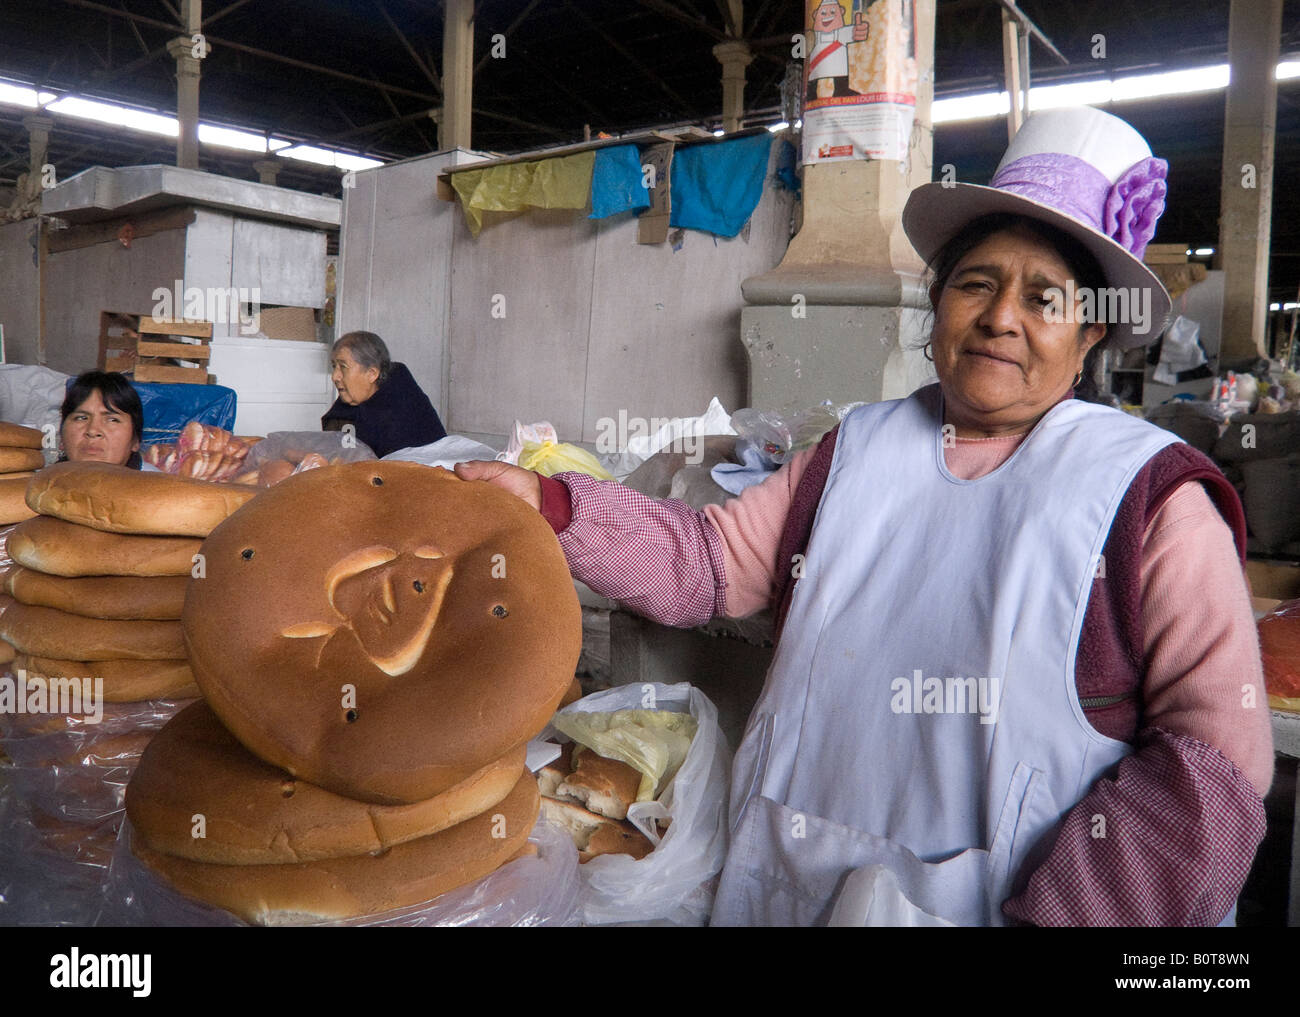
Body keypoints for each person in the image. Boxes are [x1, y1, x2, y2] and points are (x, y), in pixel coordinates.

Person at [455, 107, 1274, 926]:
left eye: (1043, 297)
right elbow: (707, 566)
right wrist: (551, 504)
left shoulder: (1150, 499)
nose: (1000, 317)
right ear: (939, 304)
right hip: (784, 886)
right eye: (977, 283)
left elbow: (1213, 767)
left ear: (1090, 329)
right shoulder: (857, 447)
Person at [321, 331, 446, 458]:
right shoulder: (350, 400)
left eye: (343, 367)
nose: (335, 376)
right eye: (334, 366)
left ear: (372, 374)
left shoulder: (402, 411)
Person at [59, 370, 152, 469]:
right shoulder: (44, 482)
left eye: (112, 420)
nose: (93, 431)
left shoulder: (158, 483)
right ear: (61, 435)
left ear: (135, 440)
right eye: (81, 418)